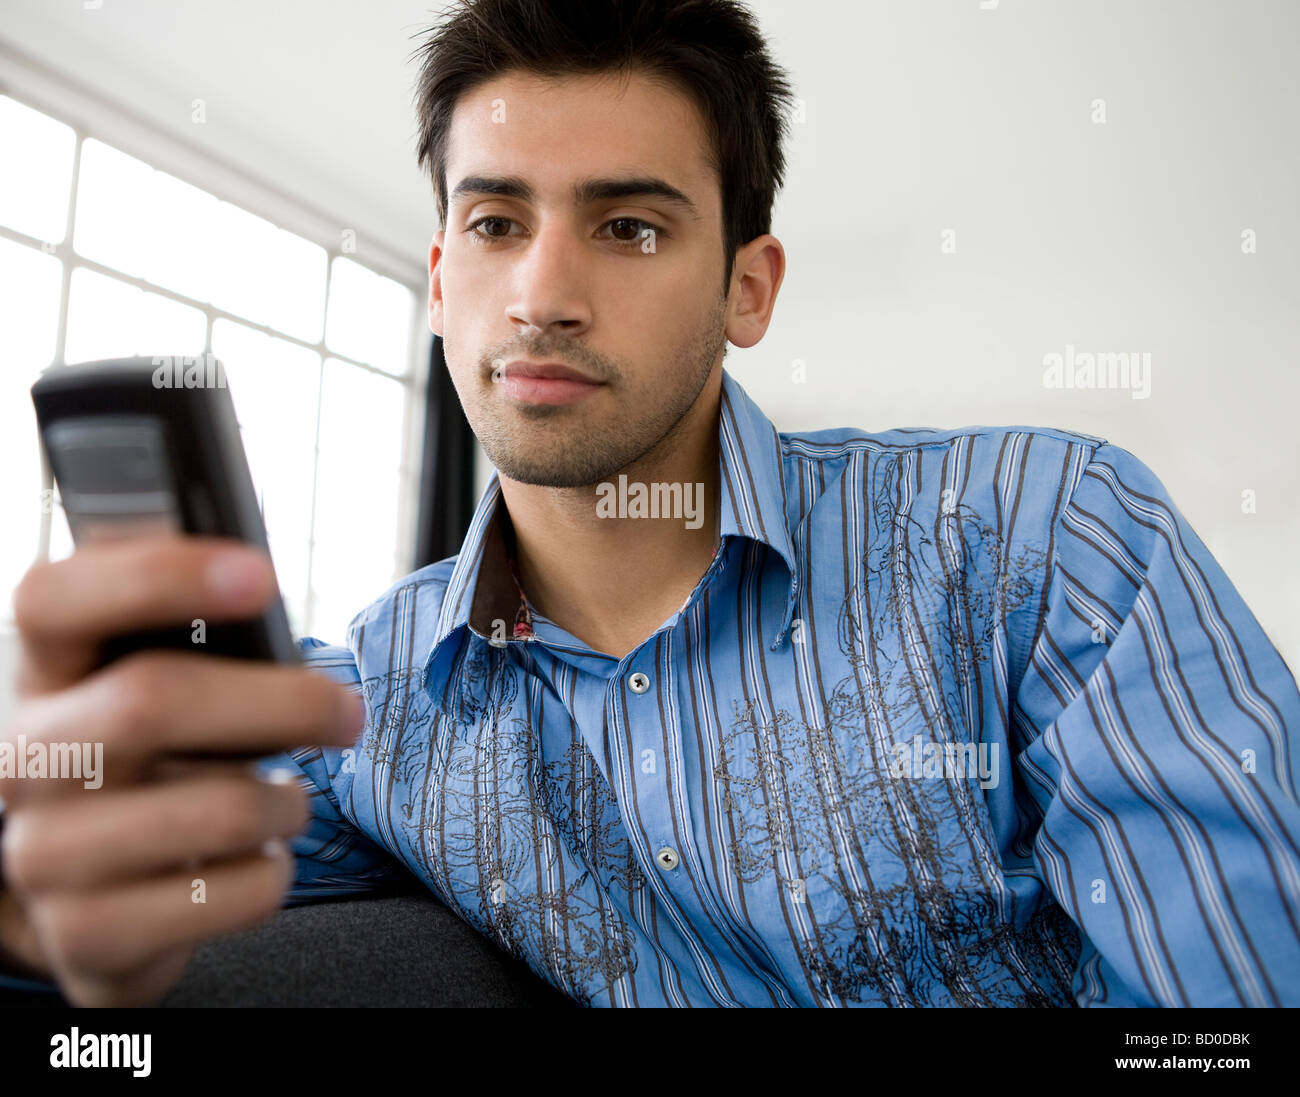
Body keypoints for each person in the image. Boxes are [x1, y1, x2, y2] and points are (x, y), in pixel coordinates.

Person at [1, 0, 1297, 1008]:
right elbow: (125, 861)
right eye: (499, 222)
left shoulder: (1051, 541)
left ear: (749, 286)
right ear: (442, 275)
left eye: (628, 227)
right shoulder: (384, 704)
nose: (544, 293)